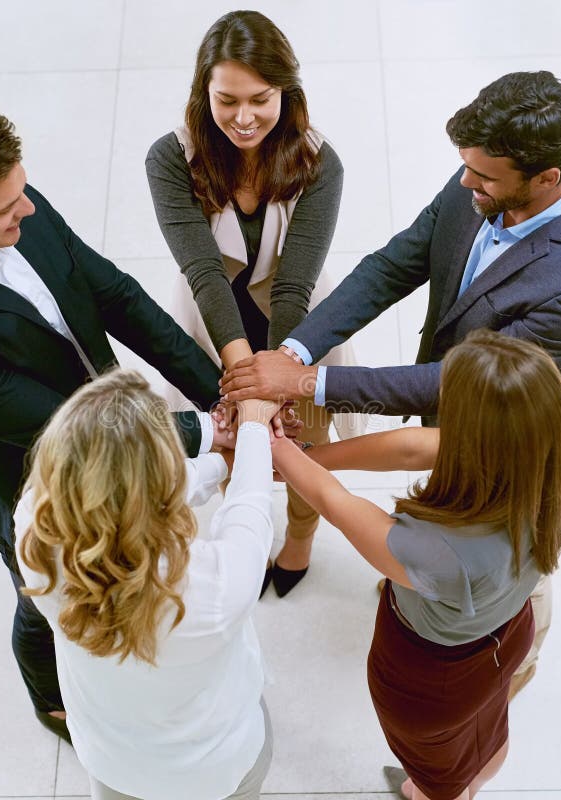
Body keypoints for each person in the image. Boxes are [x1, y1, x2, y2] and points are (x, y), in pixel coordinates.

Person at [220, 70, 561, 693]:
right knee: (443, 511)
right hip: (454, 419)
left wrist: (307, 387)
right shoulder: (481, 180)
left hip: (513, 439)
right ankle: (431, 583)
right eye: (466, 167)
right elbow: (390, 268)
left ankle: (508, 667)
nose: (466, 184)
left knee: (510, 573)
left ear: (547, 177)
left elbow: (458, 388)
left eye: (484, 176)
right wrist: (297, 351)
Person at [0, 105, 226, 742]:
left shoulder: (22, 205)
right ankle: (50, 700)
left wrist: (216, 393)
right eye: (7, 209)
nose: (29, 211)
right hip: (35, 475)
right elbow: (62, 429)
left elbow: (117, 297)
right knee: (44, 604)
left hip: (119, 429)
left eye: (23, 191)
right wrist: (205, 434)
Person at [272, 330, 561, 800]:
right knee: (487, 730)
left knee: (438, 779)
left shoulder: (440, 552)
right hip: (507, 636)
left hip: (431, 682)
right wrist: (313, 456)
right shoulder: (551, 465)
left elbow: (335, 505)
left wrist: (276, 449)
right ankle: (464, 782)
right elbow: (413, 447)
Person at [146, 10, 362, 598]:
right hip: (209, 322)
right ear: (203, 93)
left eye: (261, 99)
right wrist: (248, 383)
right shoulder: (171, 158)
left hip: (301, 331)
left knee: (306, 447)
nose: (244, 118)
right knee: (226, 439)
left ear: (286, 93)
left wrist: (279, 380)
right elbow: (205, 275)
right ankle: (243, 536)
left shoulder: (320, 162)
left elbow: (293, 286)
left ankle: (297, 541)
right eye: (227, 100)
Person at [14, 369, 275, 800]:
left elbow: (125, 496)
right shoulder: (214, 590)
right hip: (213, 770)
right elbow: (250, 509)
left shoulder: (33, 531)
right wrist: (252, 429)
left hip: (112, 762)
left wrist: (218, 461)